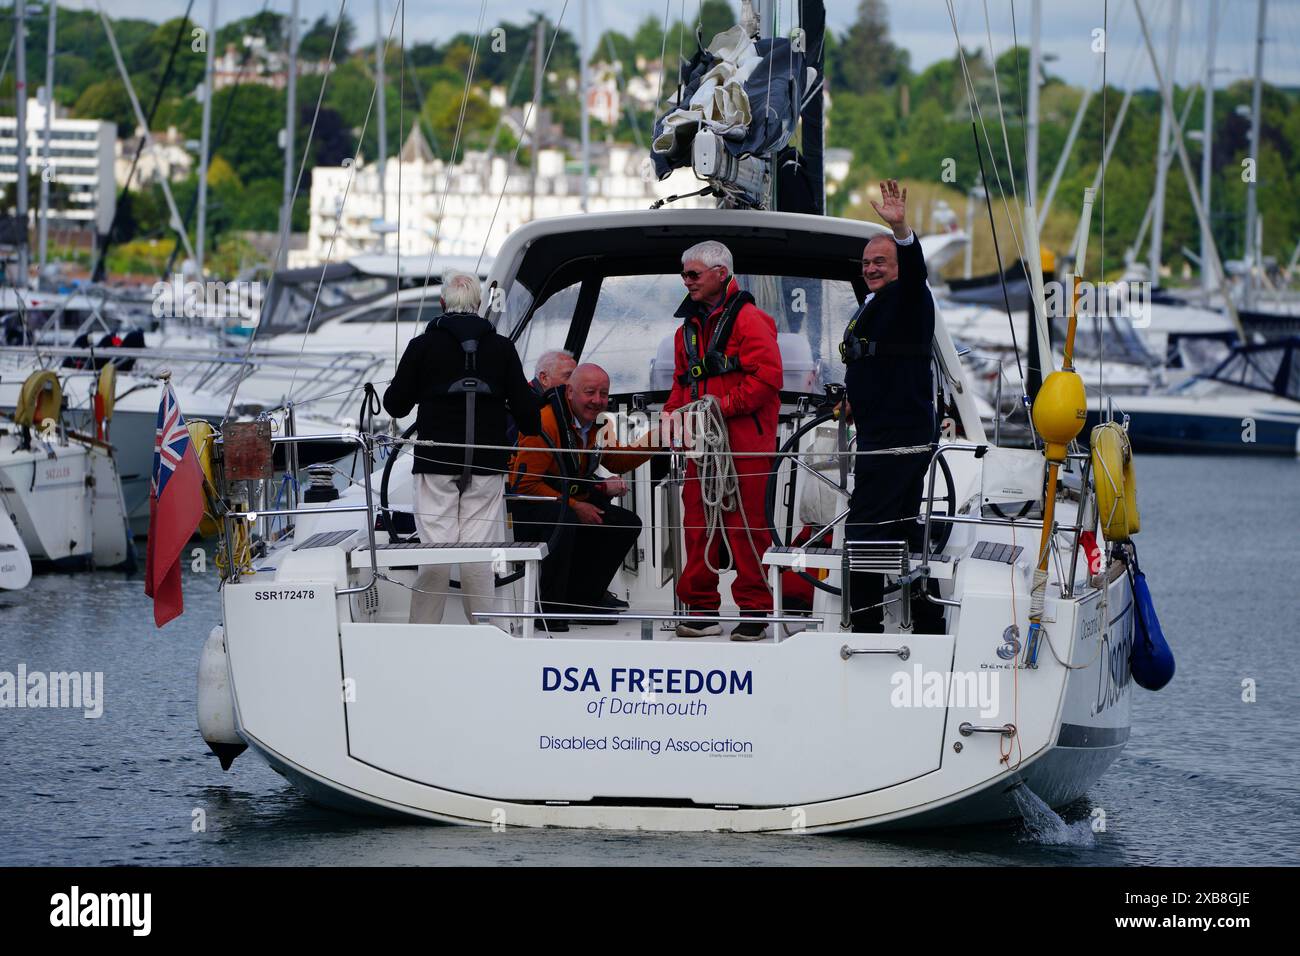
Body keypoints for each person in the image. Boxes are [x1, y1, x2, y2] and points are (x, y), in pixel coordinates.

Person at [383, 270, 541, 625]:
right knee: (479, 554)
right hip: (486, 466)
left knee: (435, 554)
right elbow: (528, 415)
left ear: (442, 304)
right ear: (479, 306)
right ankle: (486, 632)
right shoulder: (502, 348)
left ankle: (422, 635)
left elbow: (395, 406)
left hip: (435, 464)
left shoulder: (422, 346)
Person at [662, 240, 783, 641]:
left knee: (747, 527)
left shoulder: (751, 320)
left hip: (745, 446)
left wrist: (721, 407)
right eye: (684, 274)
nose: (686, 281)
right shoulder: (688, 331)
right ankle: (700, 608)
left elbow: (767, 379)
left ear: (720, 273)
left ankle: (755, 610)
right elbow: (684, 384)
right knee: (697, 524)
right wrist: (672, 422)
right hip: (703, 446)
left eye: (693, 274)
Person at [839, 179, 945, 634]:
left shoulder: (909, 297)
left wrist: (902, 229)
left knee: (863, 526)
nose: (871, 269)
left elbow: (917, 272)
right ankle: (926, 615)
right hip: (886, 432)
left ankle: (865, 623)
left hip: (897, 438)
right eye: (866, 263)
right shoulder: (874, 304)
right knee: (900, 525)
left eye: (881, 261)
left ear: (899, 265)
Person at [509, 363, 650, 632]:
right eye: (590, 392)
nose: (597, 400)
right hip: (530, 509)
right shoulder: (544, 422)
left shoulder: (599, 423)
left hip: (567, 502)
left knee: (626, 523)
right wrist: (575, 506)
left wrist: (661, 440)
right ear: (570, 392)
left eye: (603, 393)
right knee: (566, 521)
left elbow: (617, 461)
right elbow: (525, 486)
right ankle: (549, 609)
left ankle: (583, 600)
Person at [505, 349, 576, 446]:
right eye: (568, 376)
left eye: (576, 377)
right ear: (544, 378)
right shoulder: (523, 407)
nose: (575, 383)